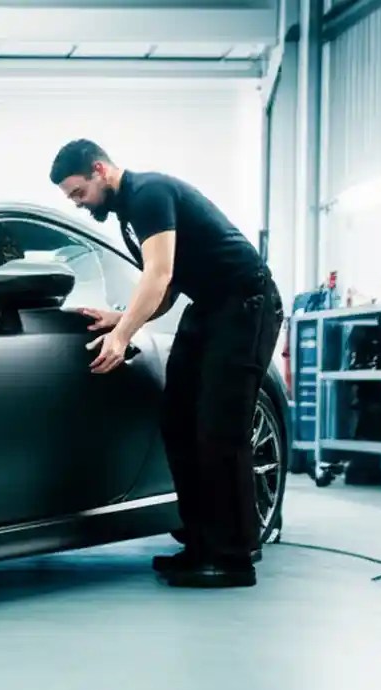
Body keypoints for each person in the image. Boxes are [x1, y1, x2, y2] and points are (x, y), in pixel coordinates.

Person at [48, 139, 284, 588]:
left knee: (220, 429)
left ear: (99, 170)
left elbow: (157, 275)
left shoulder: (149, 193)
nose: (79, 205)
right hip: (209, 308)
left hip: (246, 304)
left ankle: (233, 558)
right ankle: (201, 544)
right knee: (178, 421)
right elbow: (169, 287)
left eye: (79, 193)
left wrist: (122, 335)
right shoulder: (128, 216)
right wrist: (122, 317)